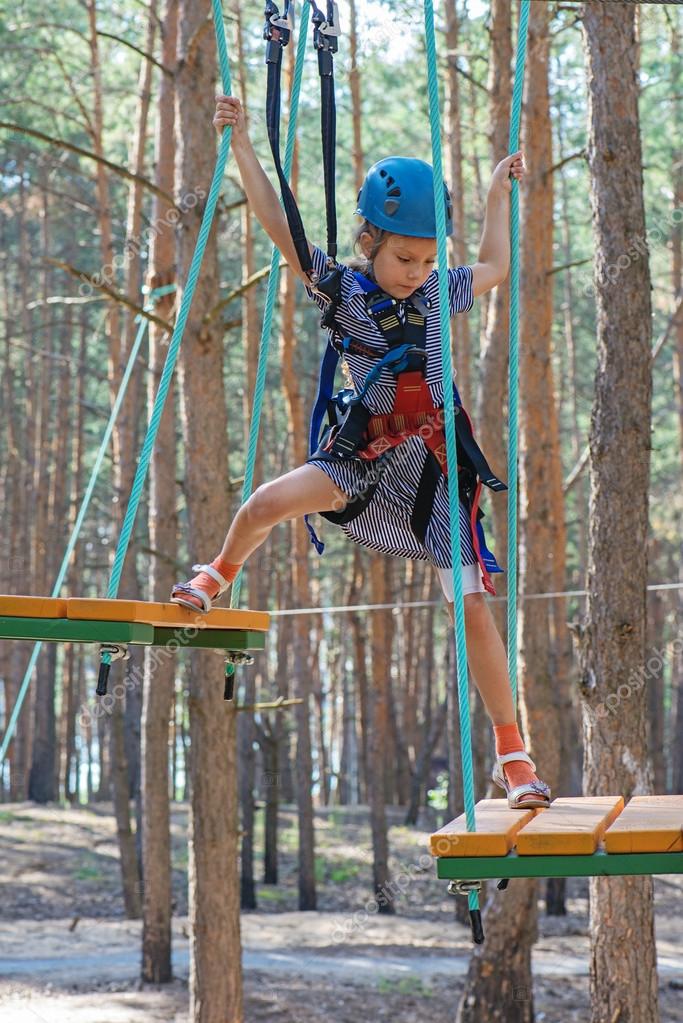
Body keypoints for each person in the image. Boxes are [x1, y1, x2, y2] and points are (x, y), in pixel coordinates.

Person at [170, 93, 551, 811]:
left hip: (437, 471)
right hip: (366, 454)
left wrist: (497, 194)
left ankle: (513, 754)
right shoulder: (339, 288)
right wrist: (244, 145)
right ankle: (217, 573)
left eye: (428, 257)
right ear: (371, 239)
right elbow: (278, 224)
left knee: (470, 604)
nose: (417, 270)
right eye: (405, 256)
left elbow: (496, 265)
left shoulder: (442, 290)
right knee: (263, 505)